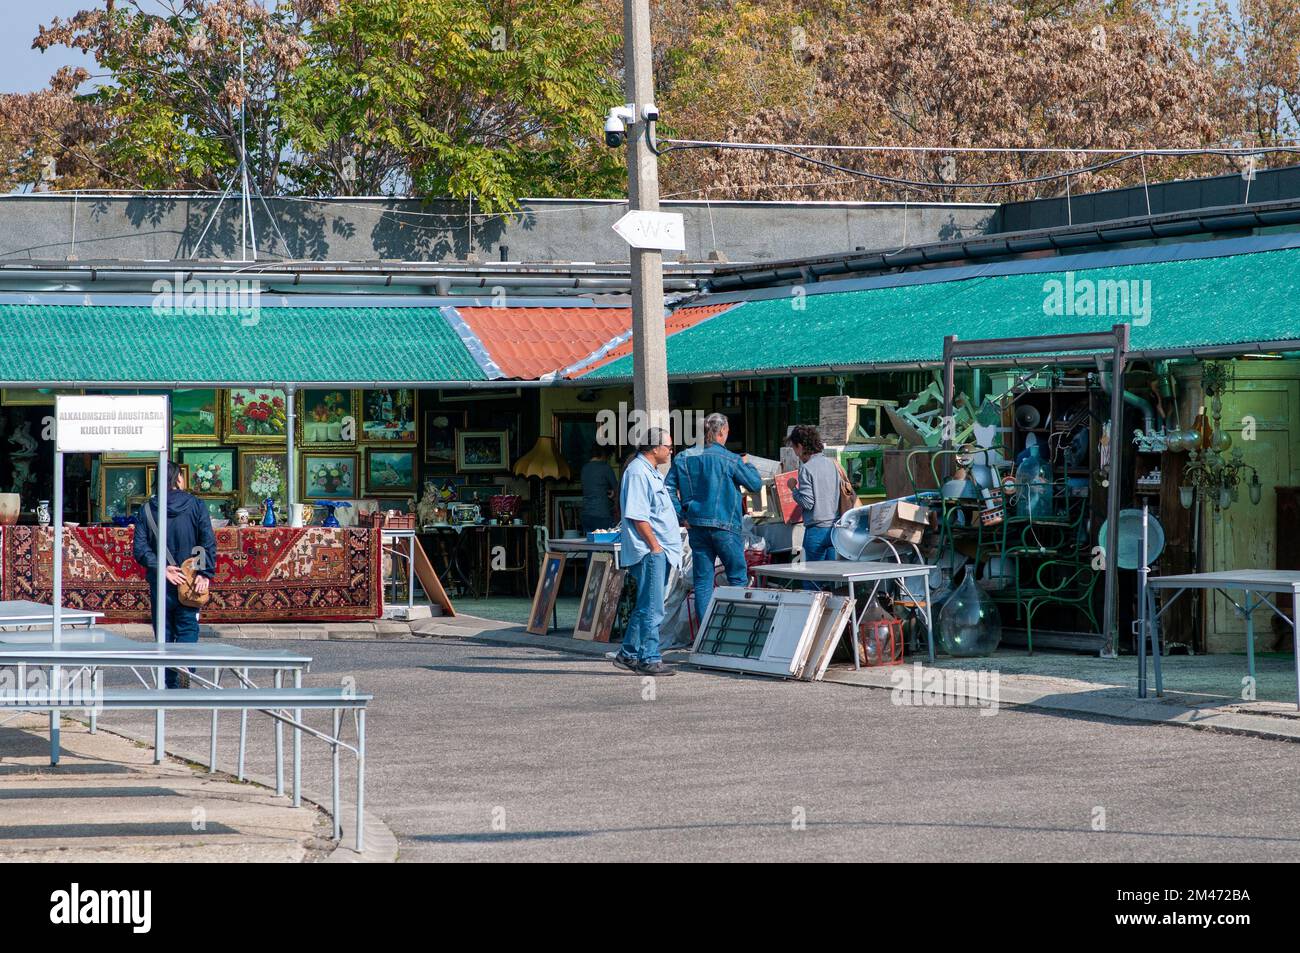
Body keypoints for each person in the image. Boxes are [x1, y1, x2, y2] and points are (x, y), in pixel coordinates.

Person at [666, 412, 762, 618]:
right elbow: (754, 484)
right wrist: (748, 463)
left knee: (703, 581)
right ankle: (731, 632)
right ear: (722, 432)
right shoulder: (731, 459)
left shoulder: (684, 457)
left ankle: (704, 636)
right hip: (725, 526)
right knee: (737, 578)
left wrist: (681, 516)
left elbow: (668, 488)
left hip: (697, 526)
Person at [132, 462, 217, 689]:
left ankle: (169, 682)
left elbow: (140, 549)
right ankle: (186, 667)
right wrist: (201, 572)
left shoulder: (148, 509)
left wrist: (162, 568)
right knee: (188, 626)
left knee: (165, 632)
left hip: (162, 581)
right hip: (189, 582)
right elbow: (205, 541)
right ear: (178, 479)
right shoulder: (197, 505)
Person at [613, 426, 681, 677]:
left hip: (656, 549)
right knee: (653, 608)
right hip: (650, 551)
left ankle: (628, 654)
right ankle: (650, 657)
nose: (671, 450)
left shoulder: (648, 471)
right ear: (655, 448)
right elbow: (638, 515)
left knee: (647, 604)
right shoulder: (638, 473)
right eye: (669, 446)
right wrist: (655, 546)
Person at [788, 424, 839, 566]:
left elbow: (807, 503)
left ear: (800, 446)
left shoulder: (806, 469)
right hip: (835, 528)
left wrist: (793, 489)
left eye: (794, 449)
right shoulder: (833, 464)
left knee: (809, 576)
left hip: (816, 530)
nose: (795, 453)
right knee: (831, 576)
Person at [579, 445, 619, 535]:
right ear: (604, 454)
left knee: (589, 545)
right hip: (602, 513)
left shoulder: (584, 468)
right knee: (604, 545)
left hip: (586, 513)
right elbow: (616, 489)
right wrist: (613, 494)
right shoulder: (605, 468)